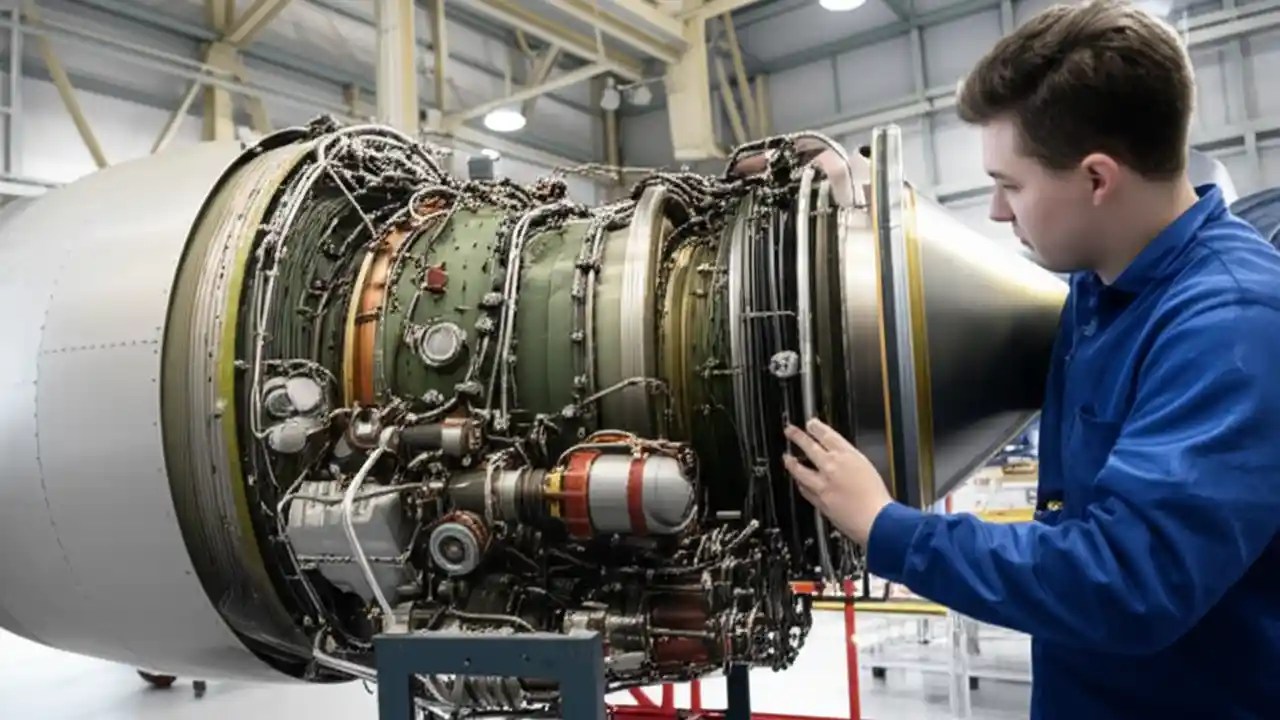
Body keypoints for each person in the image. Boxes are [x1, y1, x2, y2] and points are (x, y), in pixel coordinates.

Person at [782, 1, 1280, 718]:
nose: (995, 211)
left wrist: (889, 528)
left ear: (1097, 179)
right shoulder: (1098, 290)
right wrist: (862, 235)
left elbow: (1125, 582)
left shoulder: (1232, 325)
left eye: (1009, 184)